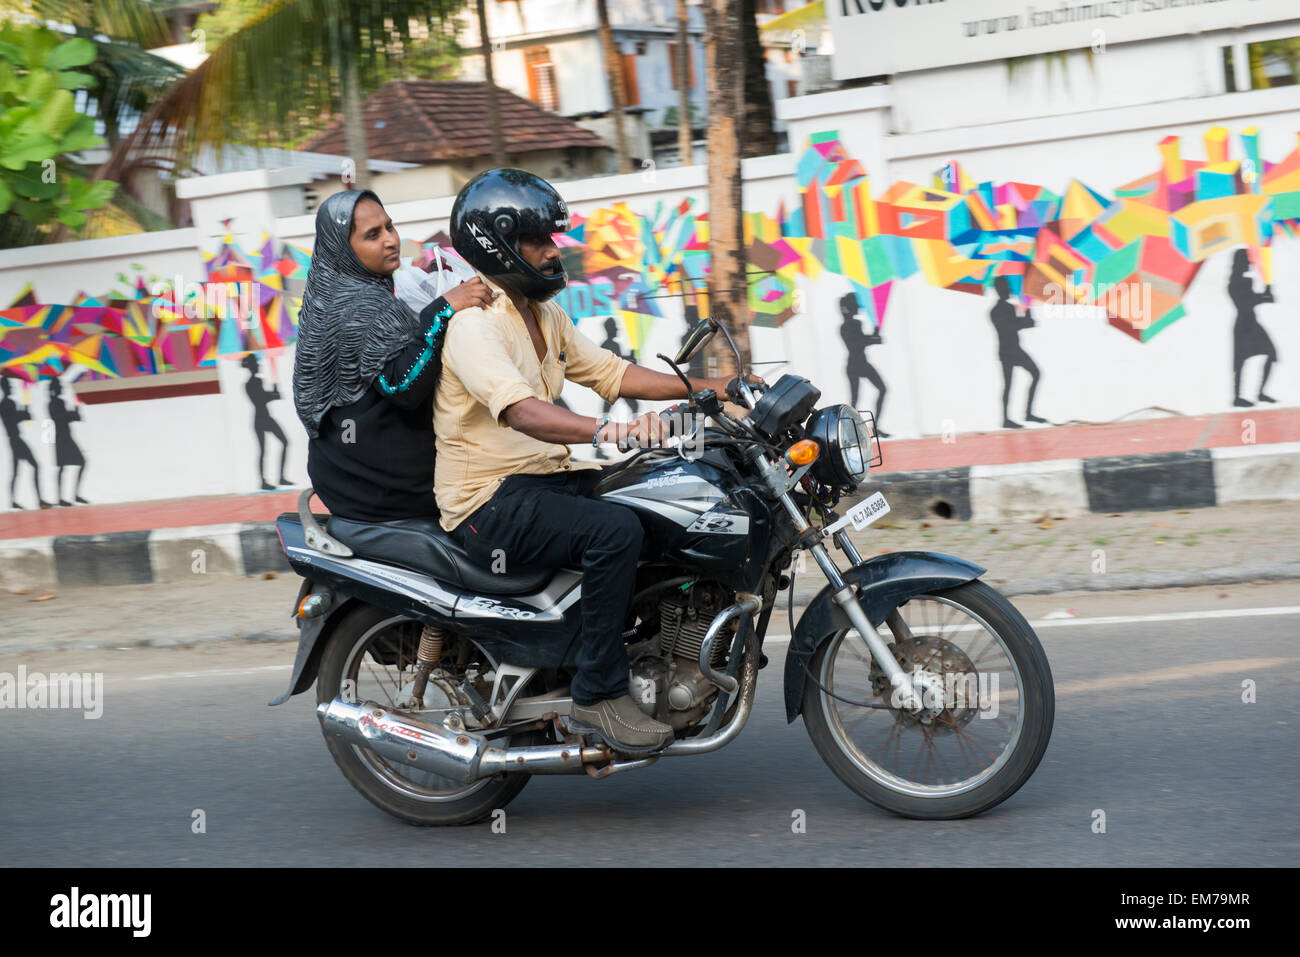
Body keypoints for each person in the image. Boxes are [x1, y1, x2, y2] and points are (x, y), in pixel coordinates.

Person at [436, 168, 758, 756]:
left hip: (544, 482)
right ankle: (598, 694)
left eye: (552, 240)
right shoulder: (473, 326)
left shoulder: (541, 316)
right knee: (615, 532)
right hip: (489, 500)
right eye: (539, 241)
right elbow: (524, 413)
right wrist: (612, 429)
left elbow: (612, 373)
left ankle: (650, 651)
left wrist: (719, 385)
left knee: (658, 499)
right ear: (500, 244)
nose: (553, 253)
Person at [293, 189, 494, 522]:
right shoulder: (360, 305)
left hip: (345, 475)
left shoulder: (329, 293)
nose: (390, 240)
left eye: (389, 227)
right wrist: (443, 309)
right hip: (378, 484)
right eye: (373, 235)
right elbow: (402, 386)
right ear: (342, 248)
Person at [990, 275, 1045, 429]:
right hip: (1010, 351)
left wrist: (1027, 310)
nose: (1008, 290)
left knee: (1033, 375)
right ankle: (1010, 418)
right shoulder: (999, 310)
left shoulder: (1004, 309)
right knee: (1010, 385)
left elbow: (1023, 324)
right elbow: (1015, 326)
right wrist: (1026, 313)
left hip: (1011, 350)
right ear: (1000, 290)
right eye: (1006, 287)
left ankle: (1024, 414)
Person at [1228, 248, 1278, 407]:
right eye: (1246, 262)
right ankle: (1238, 397)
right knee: (1241, 362)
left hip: (1249, 323)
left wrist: (1265, 295)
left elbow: (1251, 299)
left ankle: (1259, 393)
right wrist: (1264, 296)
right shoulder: (1237, 282)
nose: (1249, 266)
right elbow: (1246, 302)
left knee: (1270, 353)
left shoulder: (1240, 281)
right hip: (1245, 324)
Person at [838, 292, 889, 438]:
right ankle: (850, 430)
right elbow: (858, 343)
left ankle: (873, 427)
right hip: (856, 364)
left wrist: (873, 336)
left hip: (859, 363)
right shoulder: (850, 325)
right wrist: (874, 338)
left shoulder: (850, 324)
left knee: (873, 392)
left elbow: (861, 340)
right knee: (855, 400)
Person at [241, 354, 290, 491]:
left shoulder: (253, 382)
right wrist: (274, 394)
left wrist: (273, 394)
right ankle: (268, 480)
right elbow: (260, 400)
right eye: (255, 364)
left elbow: (262, 397)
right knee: (265, 449)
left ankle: (279, 477)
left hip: (263, 417)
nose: (258, 366)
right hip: (262, 418)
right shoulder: (253, 382)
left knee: (281, 444)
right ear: (251, 367)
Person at [1, 377, 50, 510]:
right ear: (4, 387)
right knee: (35, 466)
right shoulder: (8, 403)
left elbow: (16, 417)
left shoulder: (5, 403)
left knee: (17, 471)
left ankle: (13, 501)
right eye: (9, 386)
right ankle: (40, 501)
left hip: (14, 440)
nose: (11, 388)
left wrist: (23, 412)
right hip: (16, 440)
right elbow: (14, 419)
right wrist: (24, 412)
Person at [47, 378, 87, 505]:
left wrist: (74, 414)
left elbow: (65, 416)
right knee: (64, 467)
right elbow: (60, 417)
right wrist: (73, 415)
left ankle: (73, 495)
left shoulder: (58, 402)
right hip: (61, 438)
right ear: (54, 388)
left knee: (79, 463)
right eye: (59, 386)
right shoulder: (54, 403)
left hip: (65, 437)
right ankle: (63, 497)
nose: (61, 389)